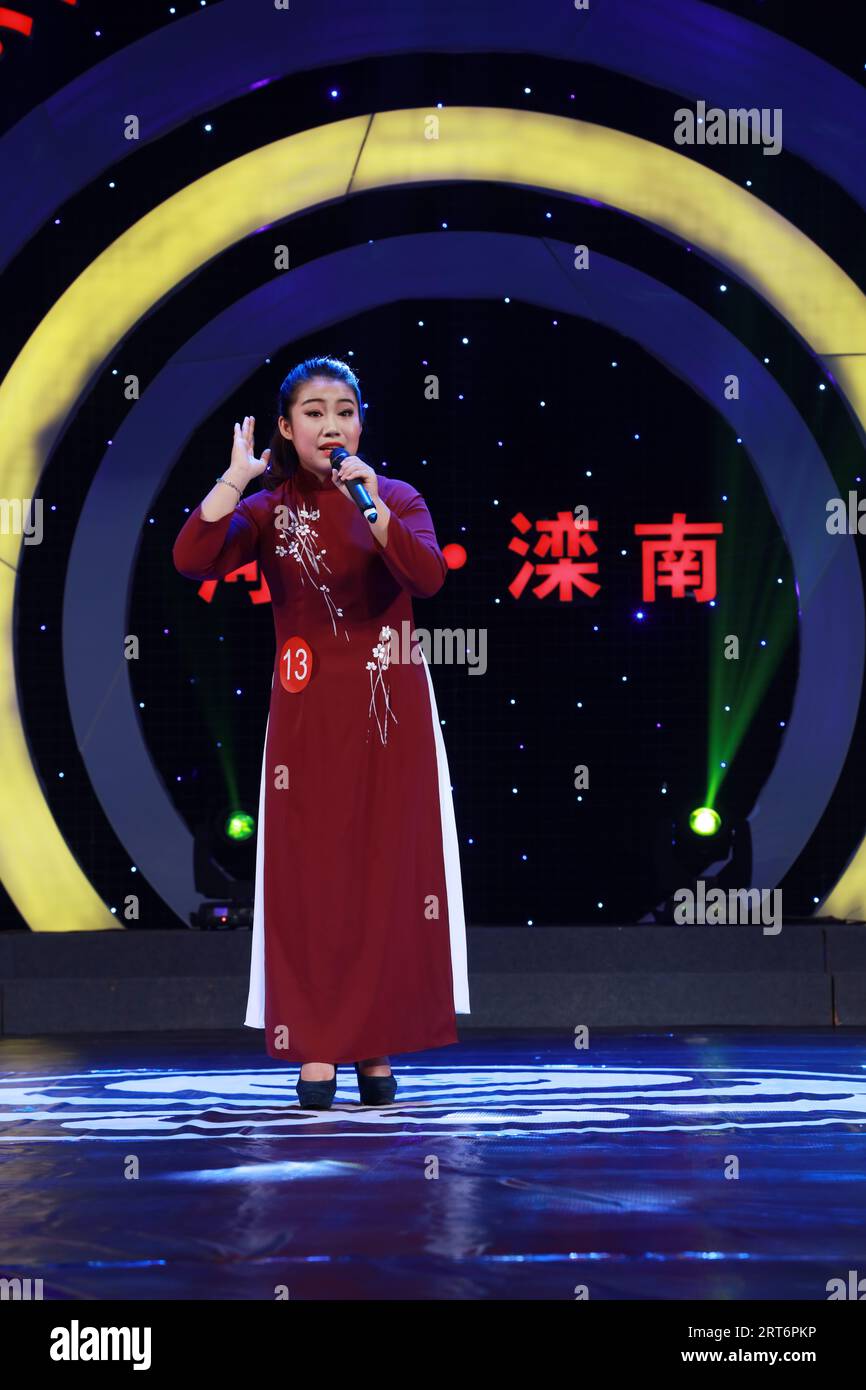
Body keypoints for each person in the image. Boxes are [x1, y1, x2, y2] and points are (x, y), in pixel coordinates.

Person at [172, 357, 470, 1109]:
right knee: (314, 878)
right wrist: (235, 480)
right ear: (285, 426)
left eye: (344, 410)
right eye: (313, 411)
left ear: (361, 422)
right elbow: (191, 558)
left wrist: (370, 504)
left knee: (384, 876)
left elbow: (428, 577)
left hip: (388, 707)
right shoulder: (269, 509)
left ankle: (372, 1042)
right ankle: (314, 1046)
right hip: (305, 712)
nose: (330, 424)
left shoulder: (395, 496)